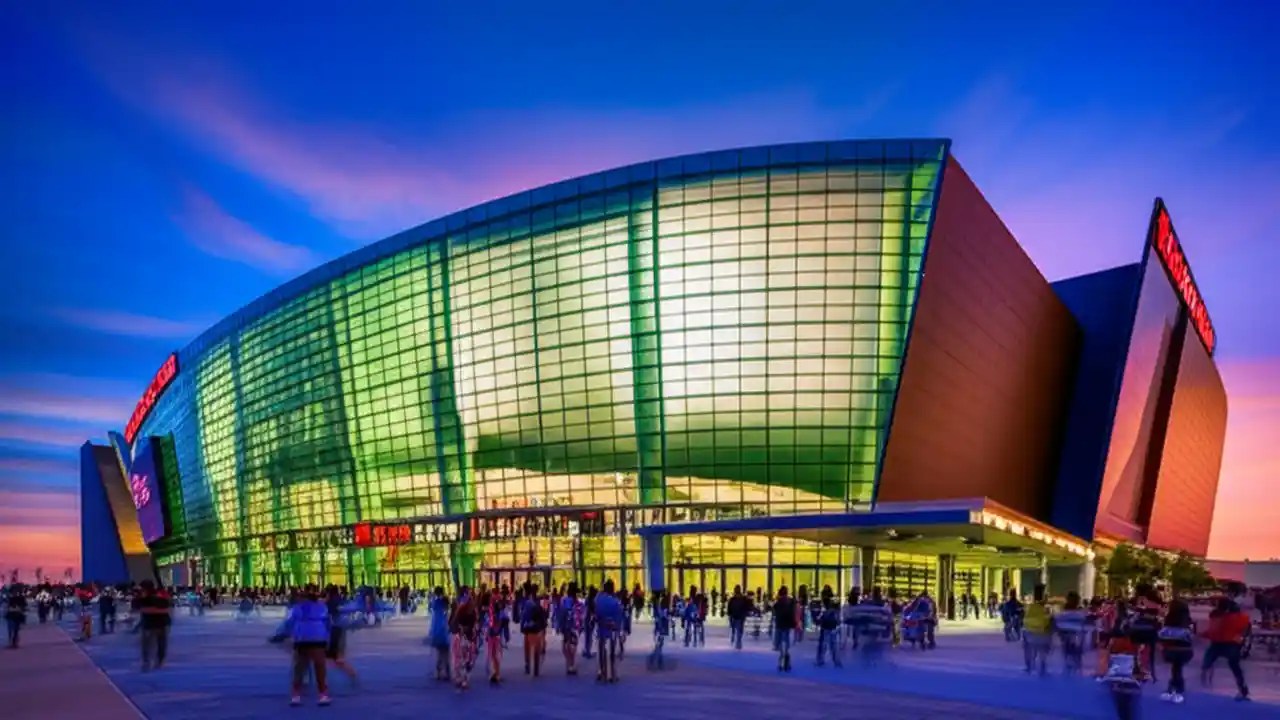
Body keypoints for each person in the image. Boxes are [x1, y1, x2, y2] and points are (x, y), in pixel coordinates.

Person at [285, 584, 331, 706]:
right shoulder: (322, 607)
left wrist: (289, 636)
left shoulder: (297, 607)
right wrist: (328, 639)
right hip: (318, 638)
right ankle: (322, 694)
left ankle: (296, 695)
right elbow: (328, 623)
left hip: (301, 638)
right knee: (320, 668)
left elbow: (289, 623)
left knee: (299, 668)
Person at [1200, 595, 1250, 702]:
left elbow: (1212, 631)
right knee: (1236, 668)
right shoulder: (1241, 617)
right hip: (1232, 644)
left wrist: (1202, 634)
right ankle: (1243, 690)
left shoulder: (1216, 616)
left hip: (1217, 643)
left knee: (1207, 664)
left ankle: (1204, 688)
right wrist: (1240, 641)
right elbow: (1244, 631)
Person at [1158, 598, 1194, 704]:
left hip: (1170, 651)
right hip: (1186, 652)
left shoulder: (1169, 620)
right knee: (1177, 667)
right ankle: (1177, 685)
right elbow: (1190, 638)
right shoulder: (1188, 622)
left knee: (1176, 666)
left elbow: (1161, 635)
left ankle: (1175, 685)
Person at [323, 586, 358, 687]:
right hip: (338, 630)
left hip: (335, 631)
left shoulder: (331, 603)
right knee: (336, 659)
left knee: (336, 659)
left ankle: (352, 674)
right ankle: (352, 674)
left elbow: (329, 615)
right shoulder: (338, 601)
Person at [137, 580, 172, 672]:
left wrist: (148, 610)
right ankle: (150, 661)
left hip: (158, 624)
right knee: (151, 644)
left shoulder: (157, 597)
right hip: (151, 624)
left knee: (157, 643)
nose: (140, 591)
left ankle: (155, 661)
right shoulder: (143, 598)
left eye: (142, 589)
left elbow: (166, 608)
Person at [594, 579, 624, 682]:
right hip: (613, 629)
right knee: (612, 651)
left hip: (602, 627)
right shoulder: (616, 601)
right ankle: (612, 674)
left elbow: (596, 614)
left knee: (601, 650)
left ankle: (602, 672)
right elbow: (619, 616)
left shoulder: (598, 600)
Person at [450, 586, 478, 690]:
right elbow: (474, 621)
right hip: (466, 636)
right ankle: (464, 679)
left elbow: (452, 621)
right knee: (466, 658)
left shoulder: (457, 604)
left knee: (459, 657)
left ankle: (460, 678)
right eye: (468, 593)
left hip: (460, 635)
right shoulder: (468, 605)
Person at [1021, 583, 1053, 676]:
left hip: (1031, 634)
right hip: (1043, 635)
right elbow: (1049, 621)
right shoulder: (1046, 608)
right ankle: (1042, 667)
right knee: (1042, 649)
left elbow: (1026, 620)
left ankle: (1029, 666)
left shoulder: (1031, 607)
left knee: (1028, 645)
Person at [1054, 591, 1088, 674]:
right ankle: (1076, 672)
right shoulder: (1081, 614)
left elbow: (1057, 624)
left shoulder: (1062, 613)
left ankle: (1068, 672)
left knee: (1067, 654)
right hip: (1077, 638)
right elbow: (1085, 626)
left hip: (1065, 637)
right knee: (1076, 657)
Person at [520, 583, 548, 677]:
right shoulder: (540, 601)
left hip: (528, 627)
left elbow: (523, 615)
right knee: (537, 648)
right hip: (537, 627)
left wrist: (522, 626)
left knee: (527, 647)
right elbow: (544, 615)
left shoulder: (527, 602)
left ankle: (527, 664)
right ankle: (536, 669)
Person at [557, 583, 582, 675]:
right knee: (573, 645)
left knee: (565, 646)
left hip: (566, 626)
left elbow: (561, 613)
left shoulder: (564, 601)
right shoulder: (578, 603)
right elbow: (580, 615)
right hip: (575, 626)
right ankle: (572, 664)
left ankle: (569, 663)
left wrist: (559, 625)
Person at [427, 587, 451, 681]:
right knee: (445, 652)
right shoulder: (443, 603)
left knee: (440, 652)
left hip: (436, 630)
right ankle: (446, 671)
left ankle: (438, 672)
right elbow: (447, 613)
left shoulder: (435, 602)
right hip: (443, 630)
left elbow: (432, 610)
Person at [772, 585, 797, 672]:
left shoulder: (778, 603)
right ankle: (786, 662)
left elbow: (774, 612)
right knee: (786, 644)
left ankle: (781, 662)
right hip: (787, 625)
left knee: (780, 645)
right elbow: (793, 613)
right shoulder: (790, 602)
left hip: (780, 625)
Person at [815, 595, 842, 667]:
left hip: (825, 629)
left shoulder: (825, 612)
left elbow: (820, 620)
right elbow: (838, 621)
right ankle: (836, 661)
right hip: (833, 629)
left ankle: (820, 660)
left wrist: (818, 621)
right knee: (834, 645)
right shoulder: (835, 611)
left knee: (823, 645)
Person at [486, 590, 505, 685]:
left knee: (494, 653)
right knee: (494, 653)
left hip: (493, 633)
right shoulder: (497, 610)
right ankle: (496, 672)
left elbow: (492, 622)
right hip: (495, 633)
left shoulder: (494, 610)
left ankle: (497, 673)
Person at [727, 585, 750, 650]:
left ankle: (735, 641)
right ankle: (737, 642)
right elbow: (746, 607)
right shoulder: (742, 599)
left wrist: (729, 614)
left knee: (735, 629)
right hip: (739, 616)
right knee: (739, 630)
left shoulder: (733, 599)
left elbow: (729, 608)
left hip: (736, 616)